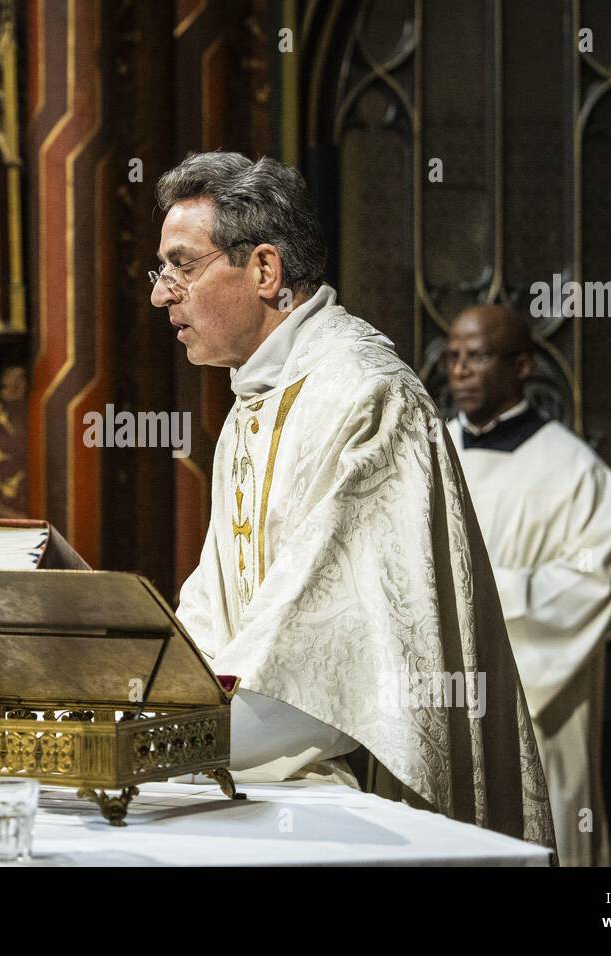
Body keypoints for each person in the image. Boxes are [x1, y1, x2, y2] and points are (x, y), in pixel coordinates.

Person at [154, 150, 554, 851]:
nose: (162, 293)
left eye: (181, 266)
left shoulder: (365, 395)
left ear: (265, 271)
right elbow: (219, 609)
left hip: (353, 790)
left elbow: (331, 659)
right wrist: (147, 692)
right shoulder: (256, 398)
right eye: (160, 270)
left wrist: (164, 737)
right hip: (256, 768)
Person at [446, 304, 611, 866]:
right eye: (452, 357)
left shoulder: (574, 471)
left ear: (522, 366)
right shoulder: (431, 454)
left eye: (477, 356)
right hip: (436, 702)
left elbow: (587, 583)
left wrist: (473, 592)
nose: (460, 370)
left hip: (533, 711)